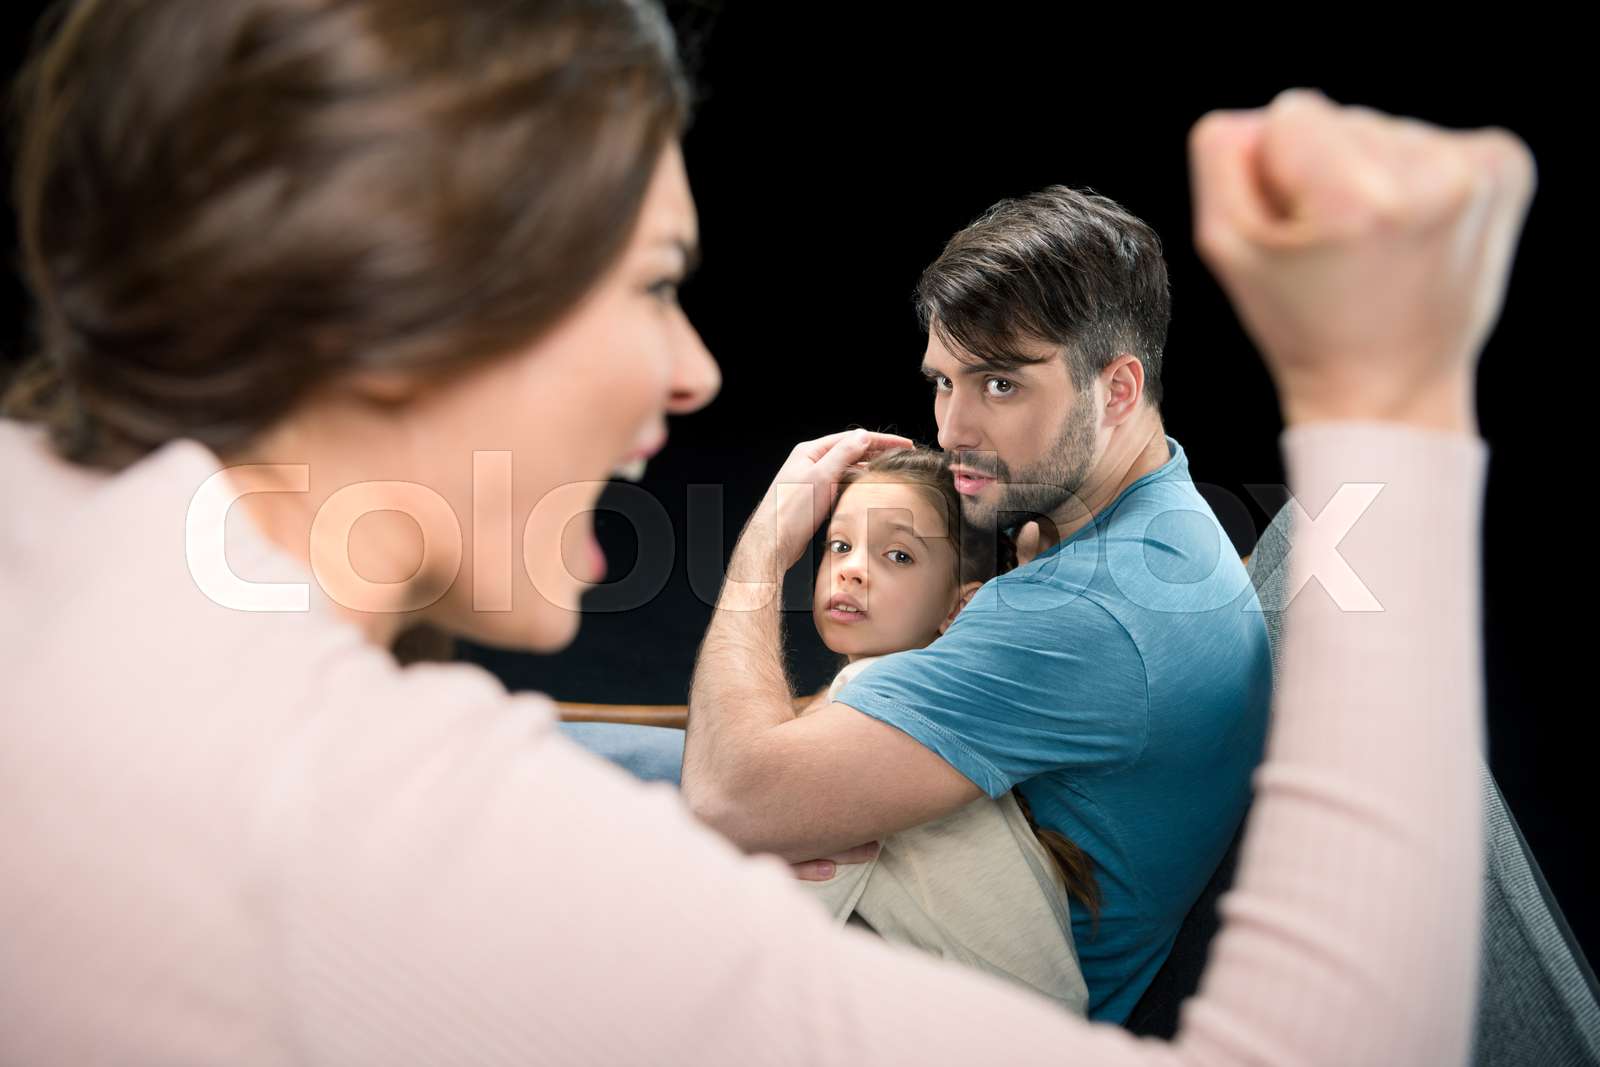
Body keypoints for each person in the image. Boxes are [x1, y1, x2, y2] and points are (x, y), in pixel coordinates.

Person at [0, 0, 1536, 1063]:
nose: (696, 368)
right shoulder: (388, 839)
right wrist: (1389, 387)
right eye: (656, 279)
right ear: (401, 308)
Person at [676, 182, 1275, 1022]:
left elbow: (730, 801)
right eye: (943, 381)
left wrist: (762, 550)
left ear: (1117, 389)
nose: (952, 427)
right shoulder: (1165, 524)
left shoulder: (1082, 615)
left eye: (1000, 385)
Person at [792, 445, 1090, 1015]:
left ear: (958, 609)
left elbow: (778, 914)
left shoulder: (877, 696)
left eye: (898, 555)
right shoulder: (937, 702)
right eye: (840, 545)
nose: (851, 568)